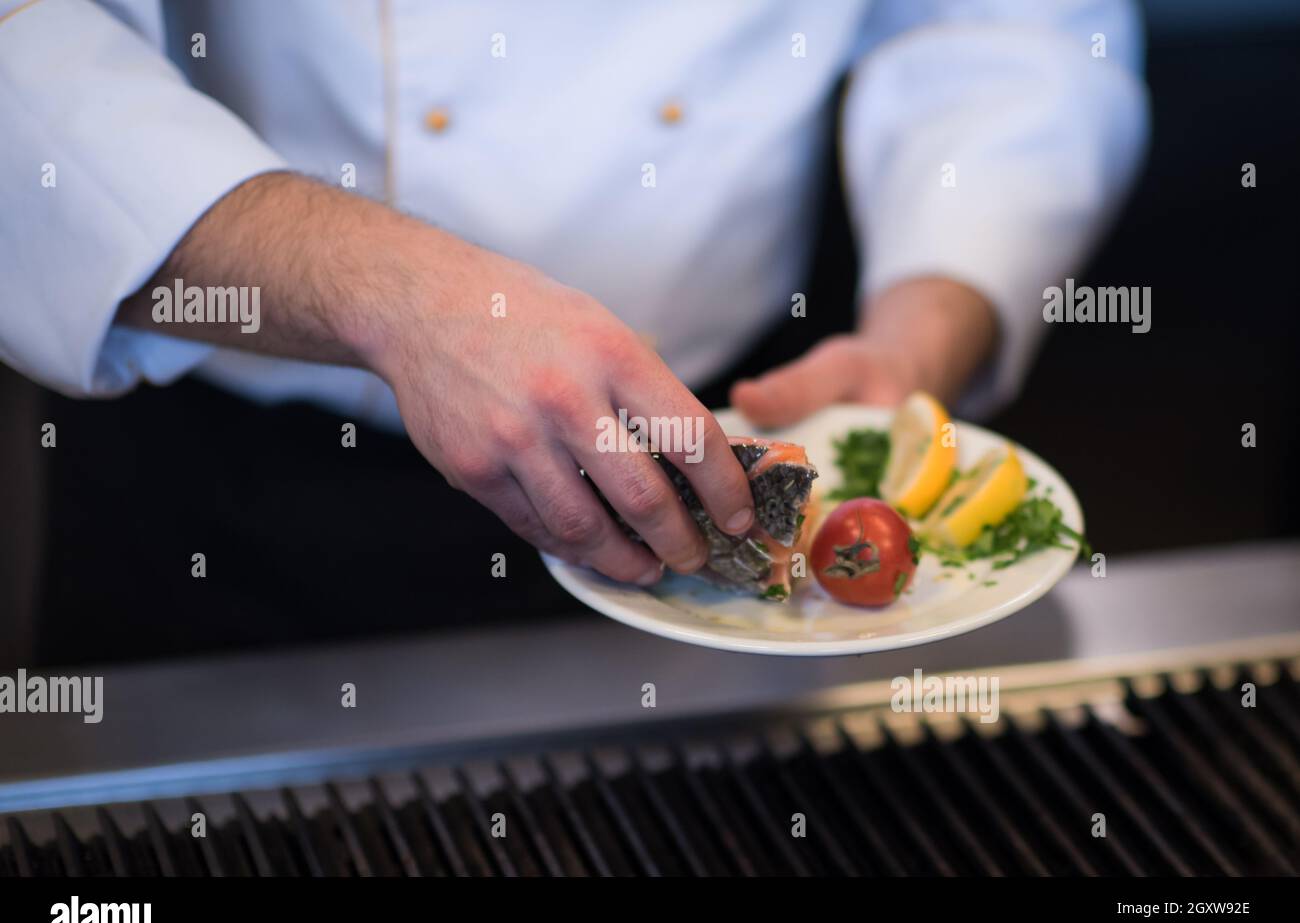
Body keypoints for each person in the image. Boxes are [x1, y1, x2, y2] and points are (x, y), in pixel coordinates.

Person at [0, 0, 1148, 659]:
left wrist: (915, 342)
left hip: (730, 476)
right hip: (247, 498)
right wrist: (395, 295)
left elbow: (1000, 29)